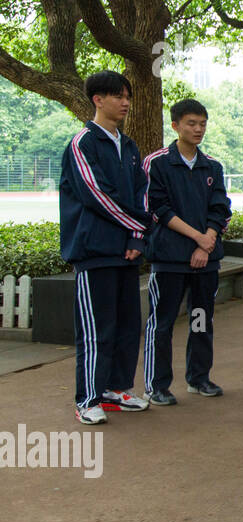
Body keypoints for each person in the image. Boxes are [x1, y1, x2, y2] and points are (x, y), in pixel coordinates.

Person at [59, 70, 152, 424]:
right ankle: (88, 399)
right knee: (96, 328)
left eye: (127, 96)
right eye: (118, 96)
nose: (126, 102)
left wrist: (136, 238)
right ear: (98, 99)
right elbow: (97, 196)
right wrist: (138, 227)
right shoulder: (82, 143)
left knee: (128, 324)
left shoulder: (128, 147)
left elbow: (141, 192)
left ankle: (115, 390)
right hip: (95, 251)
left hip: (127, 251)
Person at [141, 99, 232, 405]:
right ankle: (157, 385)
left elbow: (220, 208)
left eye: (202, 124)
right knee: (162, 323)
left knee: (200, 319)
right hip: (169, 259)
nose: (198, 129)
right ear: (175, 125)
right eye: (191, 123)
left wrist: (206, 242)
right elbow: (158, 209)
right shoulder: (157, 163)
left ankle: (198, 378)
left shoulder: (212, 166)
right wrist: (197, 237)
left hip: (205, 261)